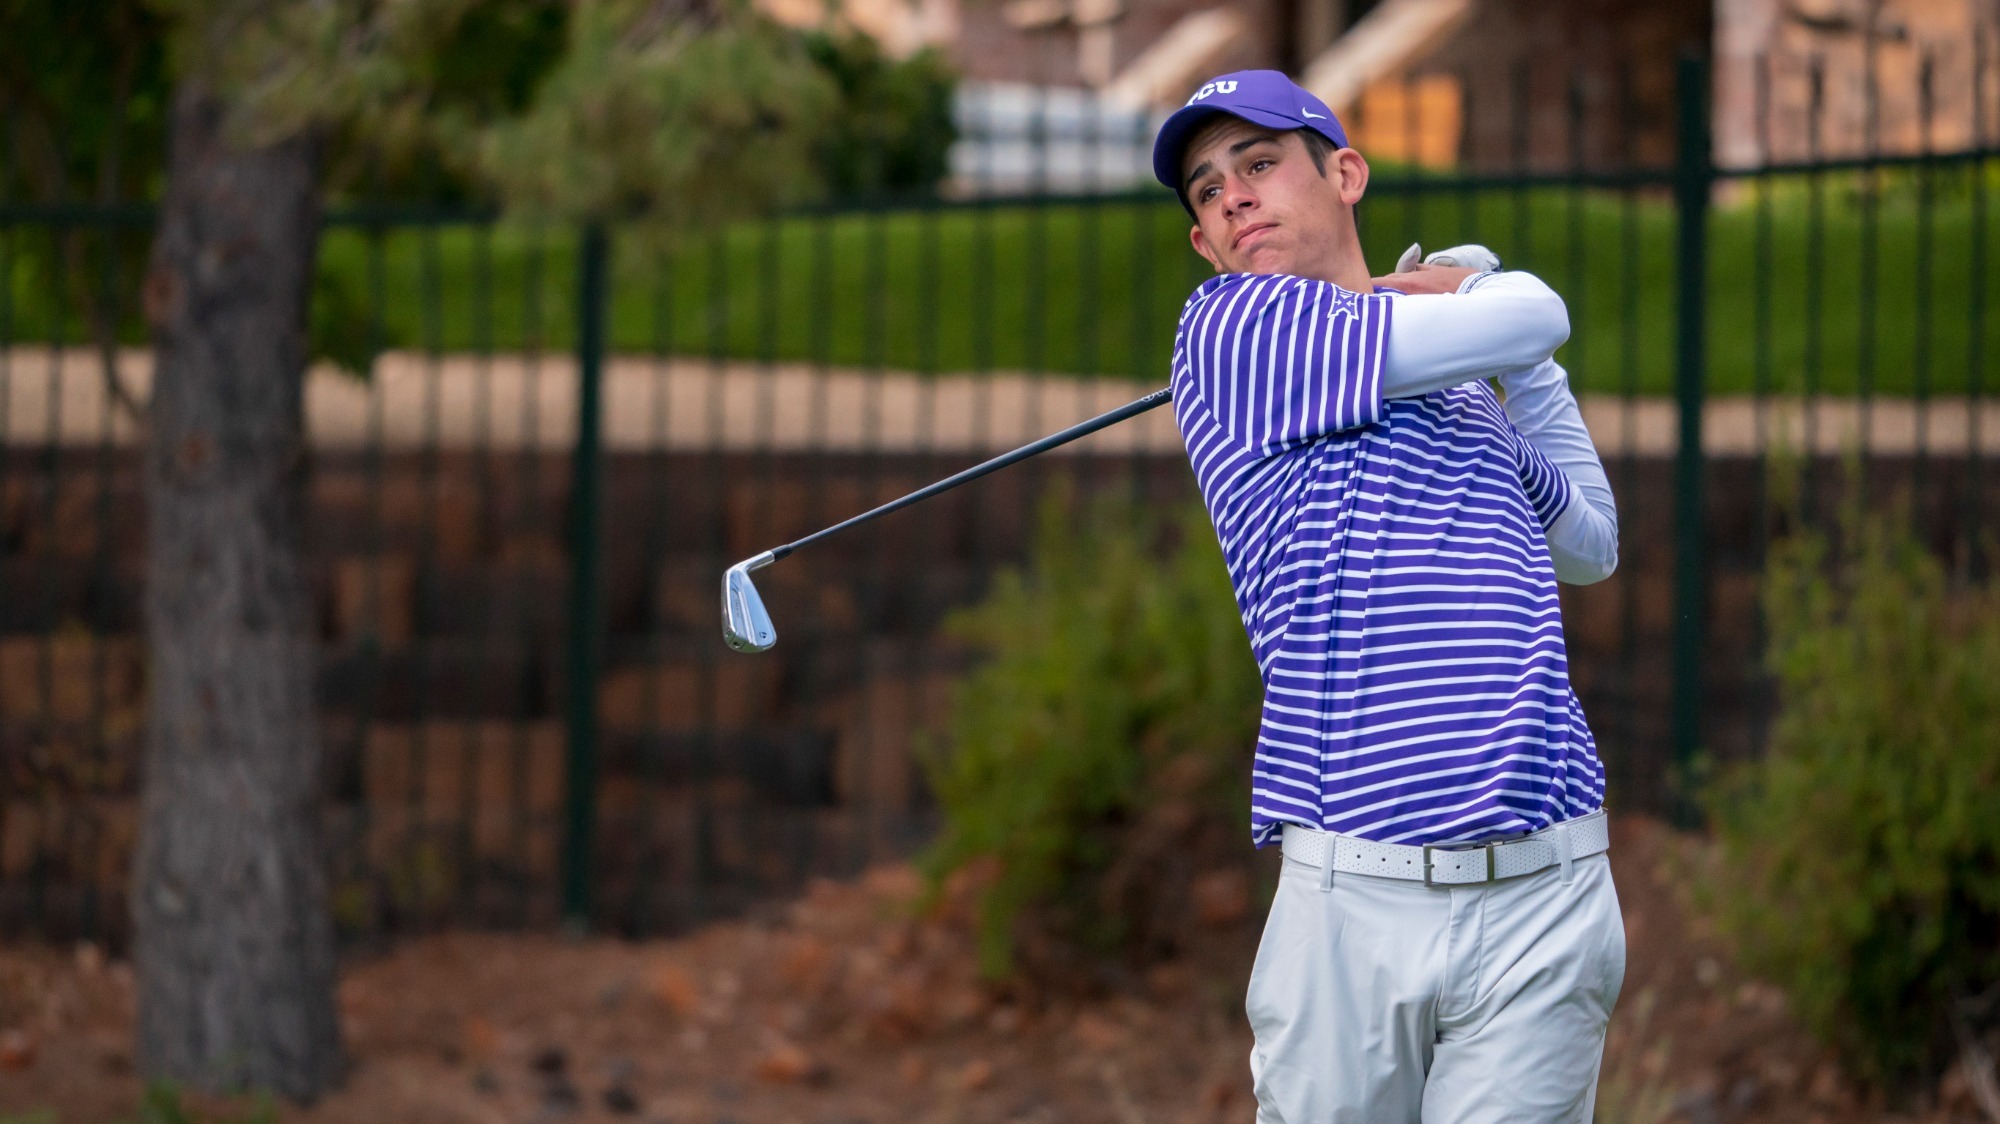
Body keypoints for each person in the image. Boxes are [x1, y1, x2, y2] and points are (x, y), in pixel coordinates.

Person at [1152, 70, 1624, 1122]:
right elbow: (1535, 304)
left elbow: (1589, 542)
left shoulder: (1463, 394)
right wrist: (1484, 295)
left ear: (1345, 173)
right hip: (1352, 901)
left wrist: (1524, 371)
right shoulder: (1232, 333)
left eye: (1260, 163)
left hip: (1543, 890)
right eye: (1205, 190)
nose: (1231, 196)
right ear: (1202, 244)